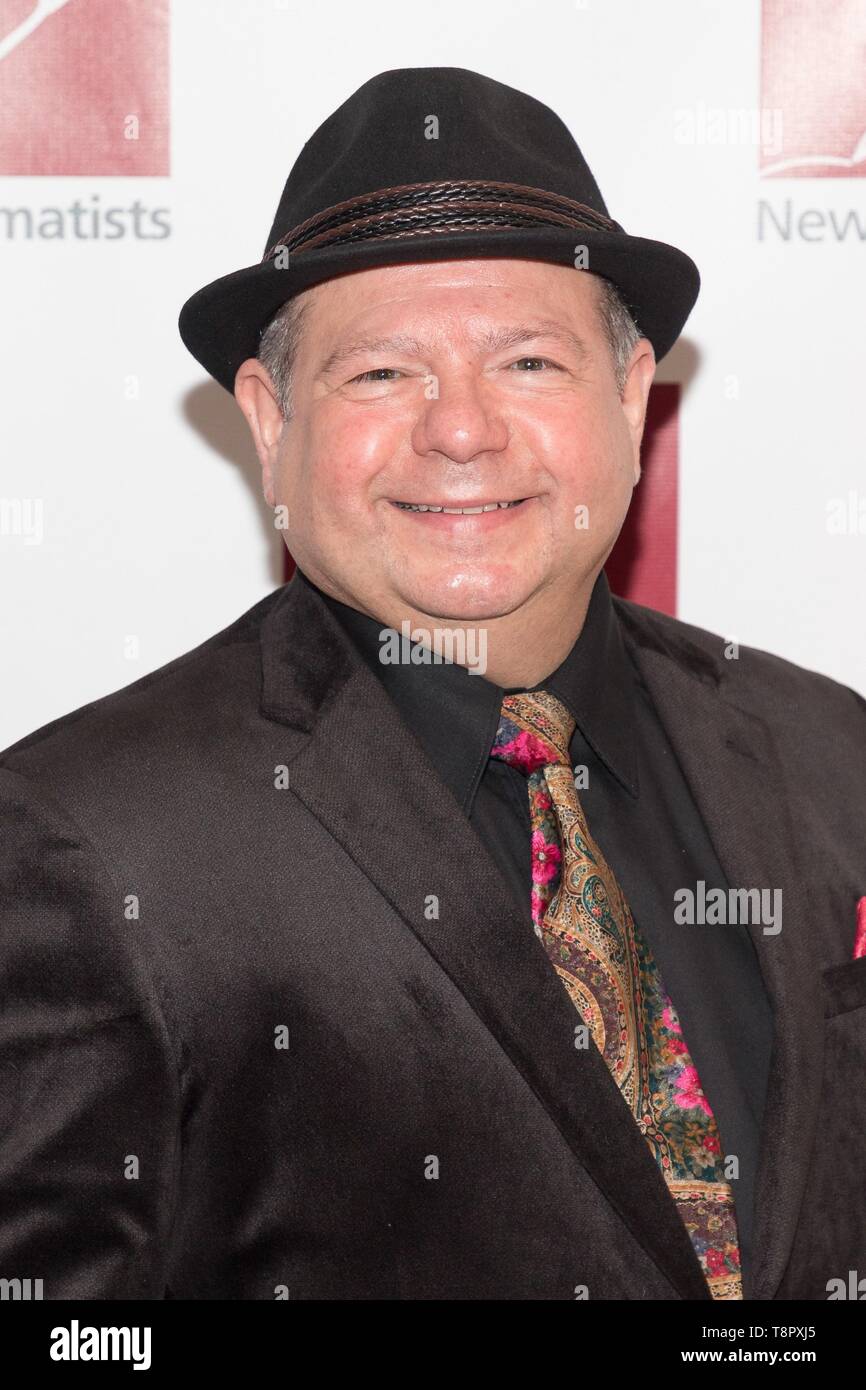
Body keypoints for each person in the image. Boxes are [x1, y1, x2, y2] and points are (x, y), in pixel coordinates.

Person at [2, 66, 864, 1302]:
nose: (459, 430)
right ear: (268, 420)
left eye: (525, 362)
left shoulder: (829, 751)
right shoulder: (85, 841)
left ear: (628, 400)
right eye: (379, 374)